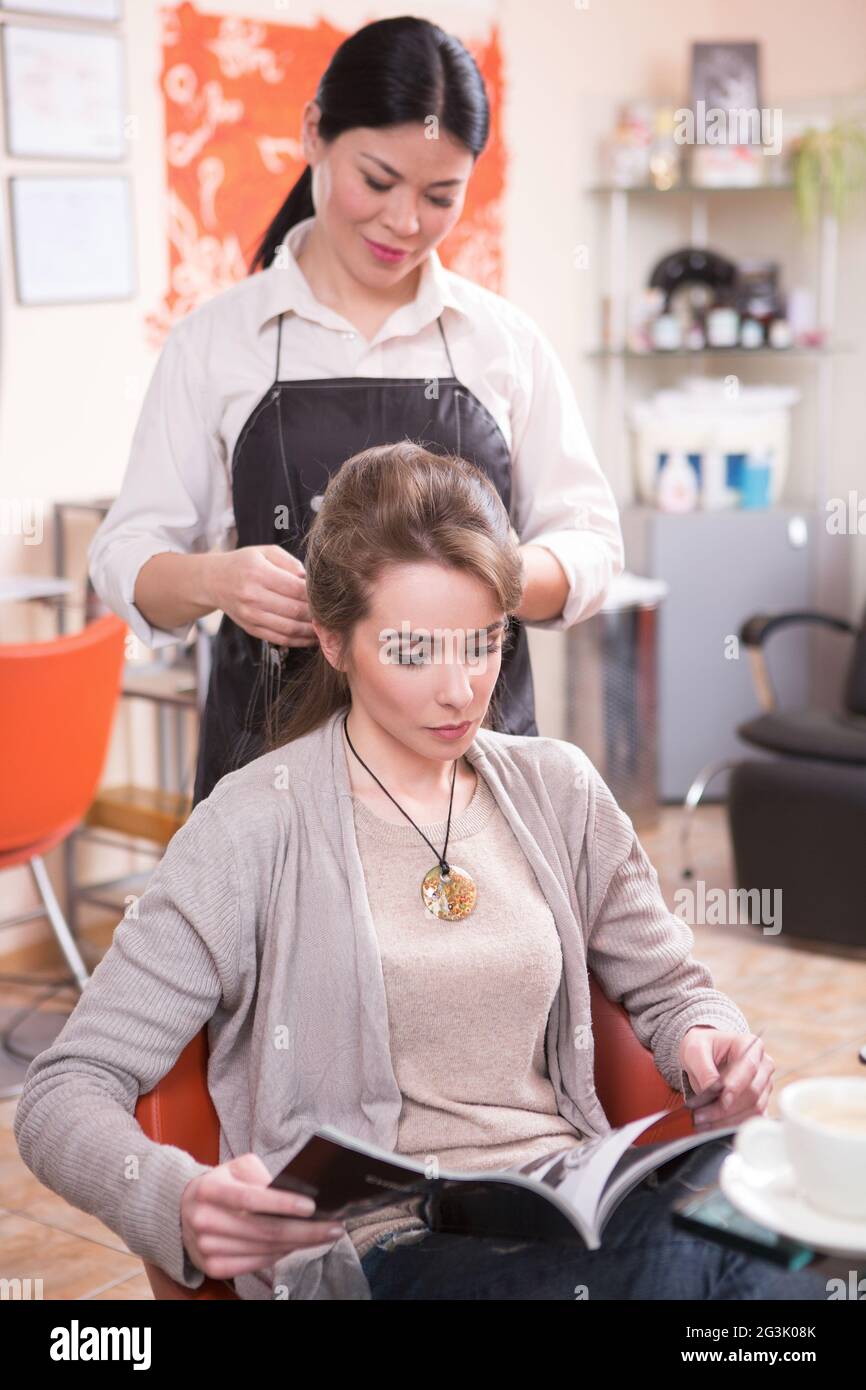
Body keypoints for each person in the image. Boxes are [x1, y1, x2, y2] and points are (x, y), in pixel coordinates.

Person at [15, 443, 827, 1301]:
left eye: (485, 643)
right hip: (389, 1252)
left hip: (576, 1207)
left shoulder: (559, 791)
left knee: (797, 1250)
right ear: (333, 640)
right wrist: (176, 1200)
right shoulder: (252, 827)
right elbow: (62, 1092)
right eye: (415, 652)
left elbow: (673, 992)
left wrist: (709, 1042)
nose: (462, 689)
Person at [87, 15, 623, 807]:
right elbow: (125, 555)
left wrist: (494, 580)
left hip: (468, 772)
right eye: (377, 181)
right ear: (314, 135)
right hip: (270, 766)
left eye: (441, 195)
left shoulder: (501, 344)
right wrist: (217, 578)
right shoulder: (217, 343)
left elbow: (591, 546)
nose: (405, 222)